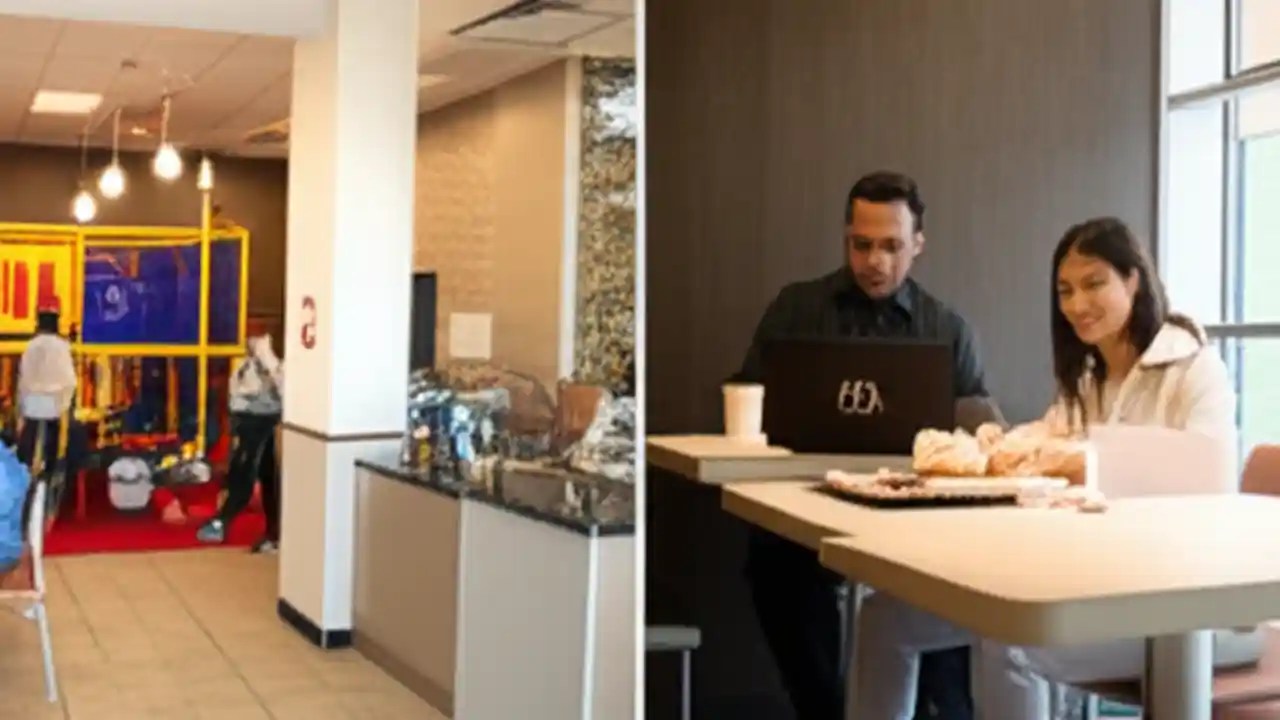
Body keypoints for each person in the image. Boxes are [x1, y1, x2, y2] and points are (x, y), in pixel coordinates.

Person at [851, 217, 1254, 720]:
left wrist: (1084, 461)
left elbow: (1209, 478)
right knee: (885, 617)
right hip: (1092, 581)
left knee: (1010, 640)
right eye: (1065, 291)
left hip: (1190, 608)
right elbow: (1042, 439)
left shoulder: (1195, 366)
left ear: (1133, 280)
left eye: (1094, 283)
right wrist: (989, 446)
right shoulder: (1087, 378)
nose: (1077, 304)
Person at [735, 171, 988, 720]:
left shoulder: (948, 329)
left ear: (918, 245)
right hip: (806, 506)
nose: (875, 261)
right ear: (846, 238)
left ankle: (940, 709)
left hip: (913, 520)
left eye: (892, 246)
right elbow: (747, 401)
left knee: (956, 578)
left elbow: (977, 428)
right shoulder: (796, 309)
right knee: (773, 562)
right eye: (862, 244)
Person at [197, 332, 282, 553]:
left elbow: (281, 383)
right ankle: (273, 532)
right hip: (247, 419)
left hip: (260, 420)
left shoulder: (267, 357)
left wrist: (266, 356)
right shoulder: (246, 359)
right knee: (266, 476)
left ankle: (223, 519)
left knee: (245, 471)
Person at [16, 296, 77, 478]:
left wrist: (22, 404)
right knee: (55, 445)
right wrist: (65, 403)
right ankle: (52, 472)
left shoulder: (31, 345)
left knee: (28, 447)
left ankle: (26, 471)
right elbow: (69, 380)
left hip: (32, 403)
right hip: (54, 403)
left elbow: (24, 377)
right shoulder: (62, 347)